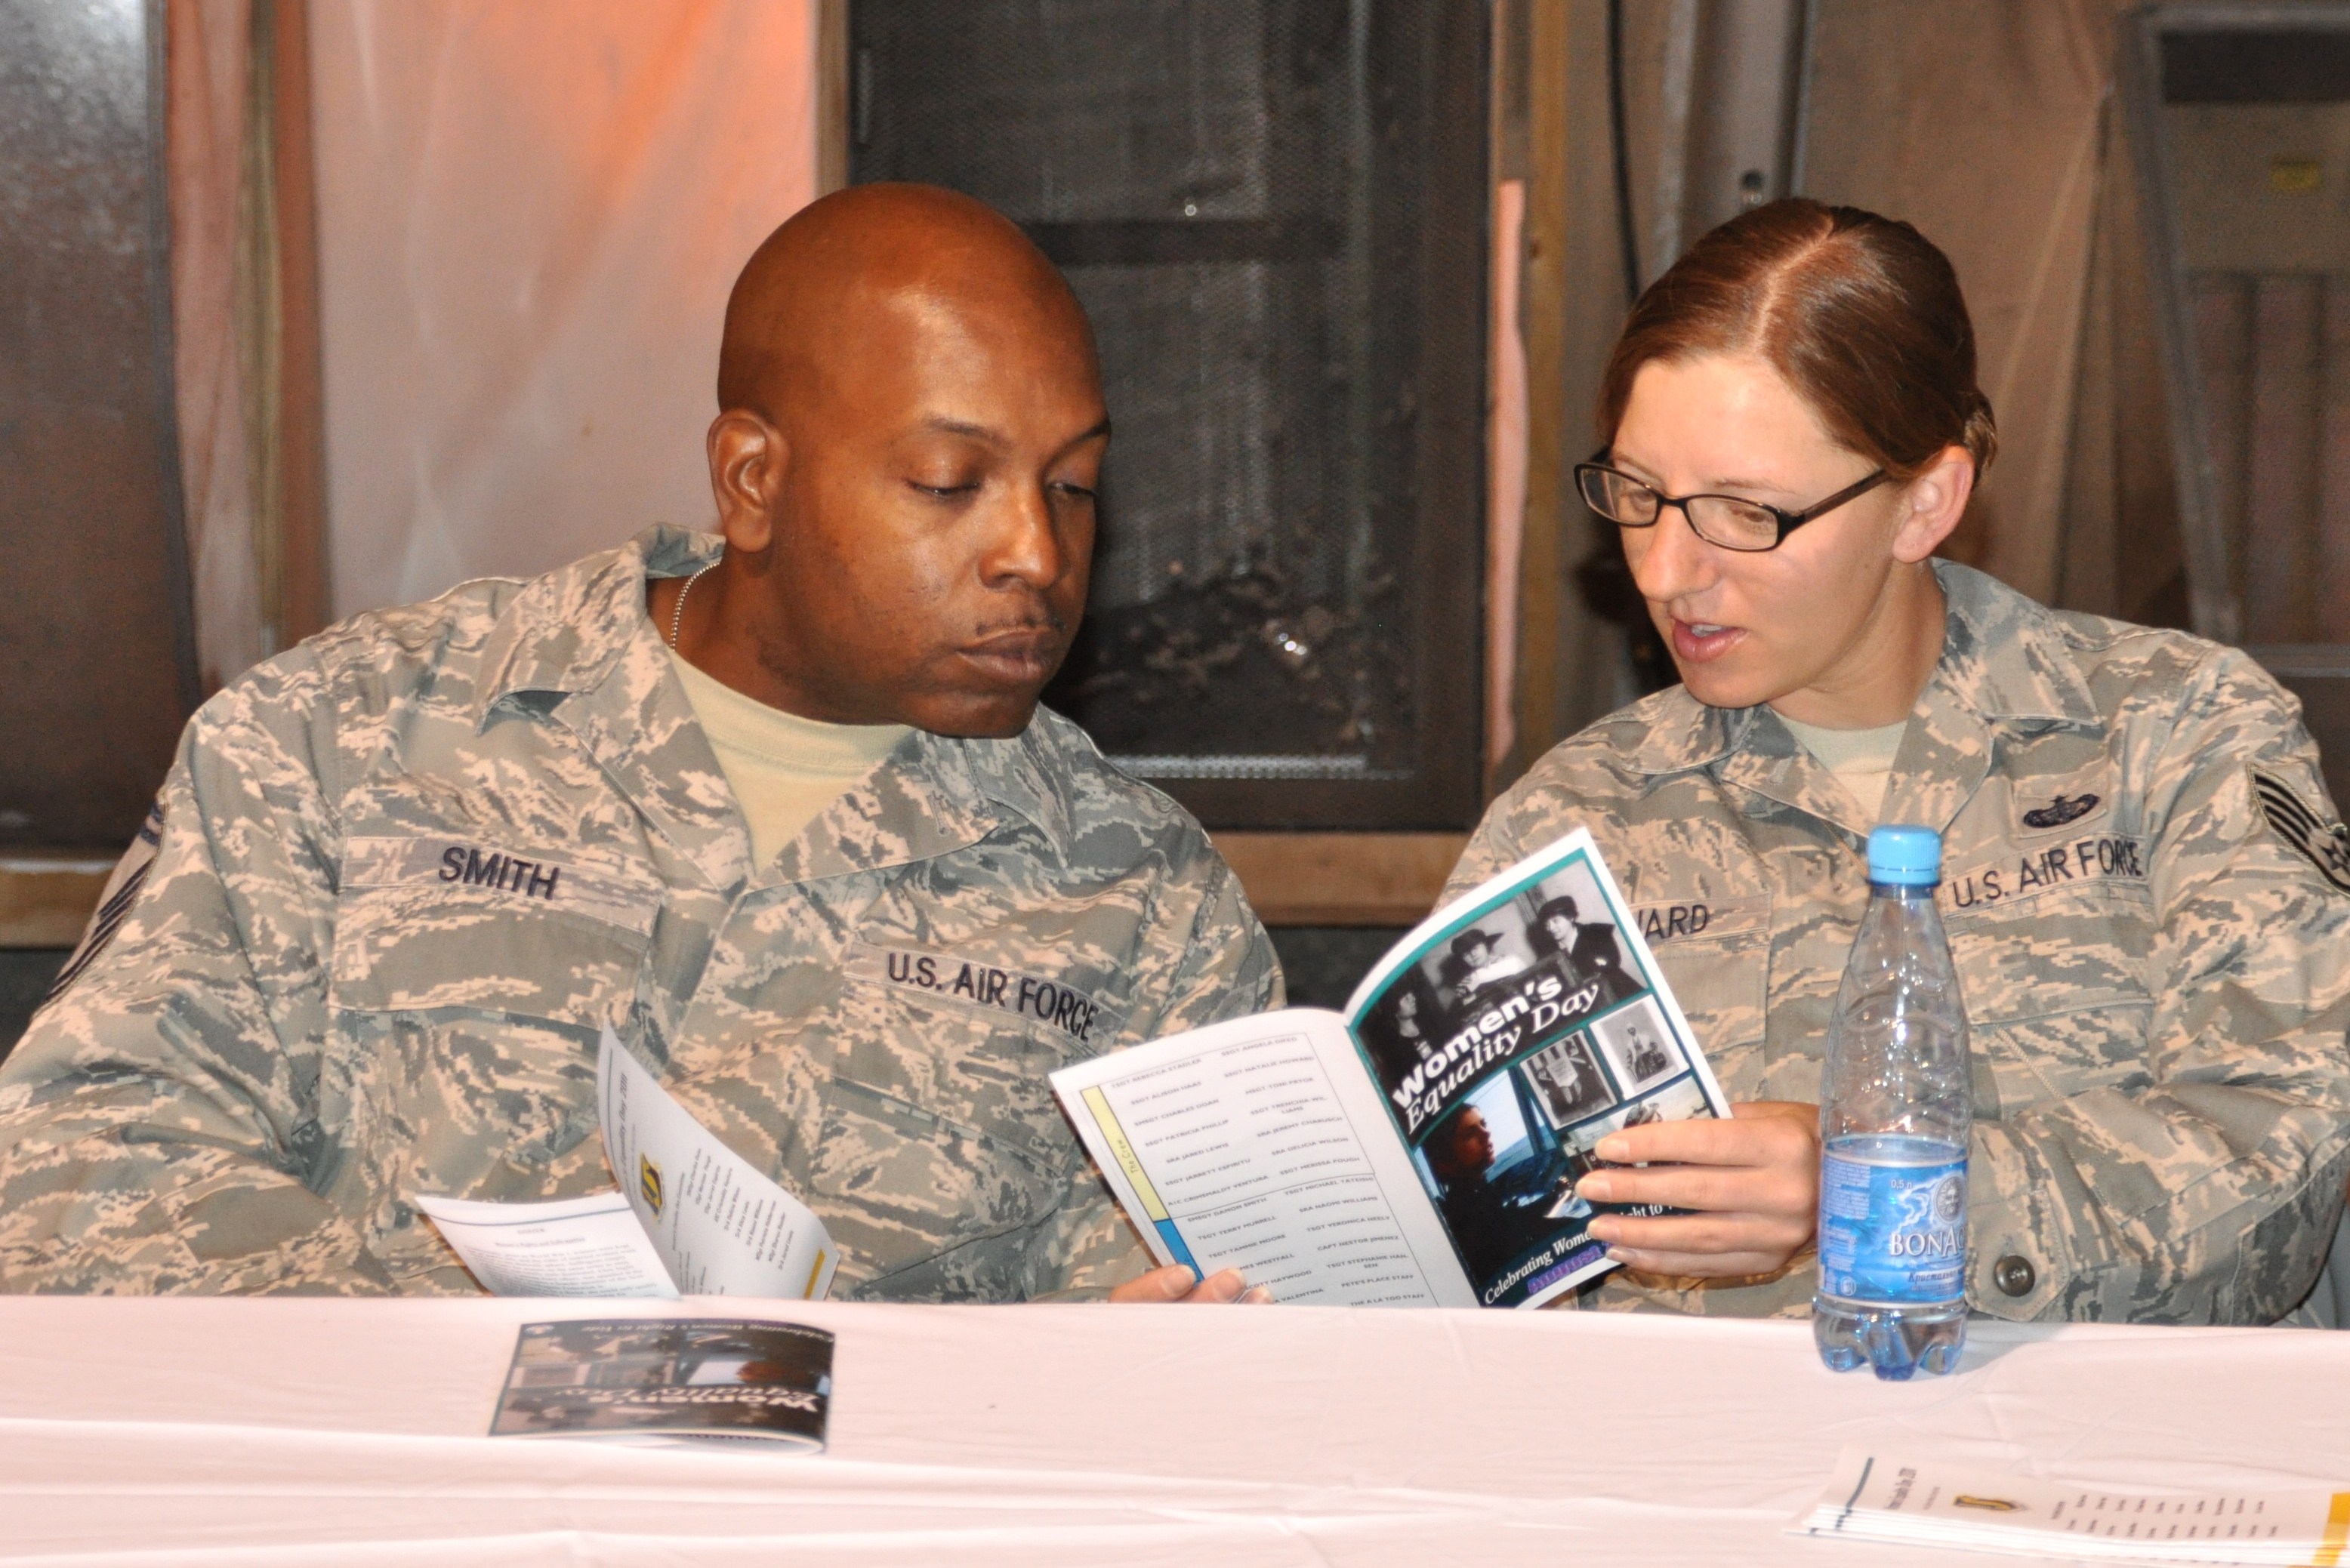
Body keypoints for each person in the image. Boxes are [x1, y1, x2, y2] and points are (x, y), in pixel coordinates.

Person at [0, 183, 1280, 1304]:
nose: (1037, 555)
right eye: (951, 481)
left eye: (1072, 485)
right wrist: (441, 1334)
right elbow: (76, 1173)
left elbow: (1181, 1291)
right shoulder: (343, 744)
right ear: (753, 483)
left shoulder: (1134, 895)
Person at [1446, 198, 2350, 1325]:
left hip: (2077, 1468)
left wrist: (1880, 1197)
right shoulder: (1577, 819)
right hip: (1685, 1471)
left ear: (1926, 499)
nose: (1669, 571)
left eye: (1744, 513)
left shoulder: (2171, 738)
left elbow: (2283, 1175)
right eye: (1637, 496)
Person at [1423, 1105, 1550, 1281]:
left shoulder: (1474, 1194)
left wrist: (1552, 1197)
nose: (1486, 1134)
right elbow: (1506, 1233)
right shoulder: (1467, 1212)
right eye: (1469, 1134)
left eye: (1484, 1124)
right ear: (1443, 1164)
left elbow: (1511, 1220)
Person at [1532, 895, 1639, 1005]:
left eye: (1555, 921)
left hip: (1620, 992)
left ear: (1571, 918)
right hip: (1583, 1005)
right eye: (1547, 924)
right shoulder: (1548, 955)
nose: (1551, 928)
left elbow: (1612, 961)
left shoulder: (1595, 933)